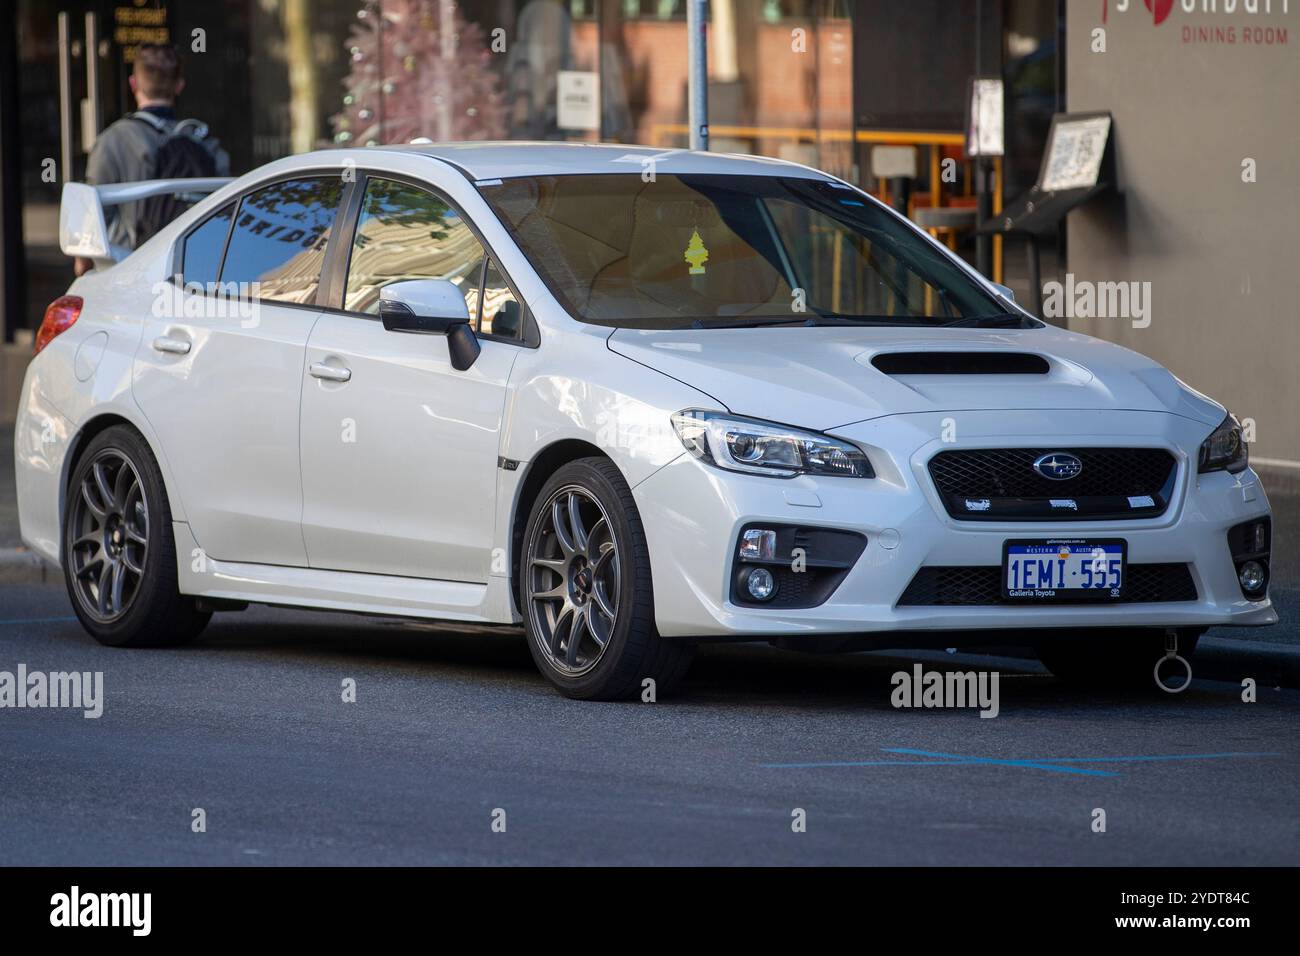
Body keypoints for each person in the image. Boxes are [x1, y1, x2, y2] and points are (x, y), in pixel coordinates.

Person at [77, 44, 229, 274]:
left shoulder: (113, 141)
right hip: (195, 275)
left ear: (133, 84)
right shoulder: (206, 144)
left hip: (133, 273)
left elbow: (93, 220)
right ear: (179, 86)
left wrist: (83, 266)